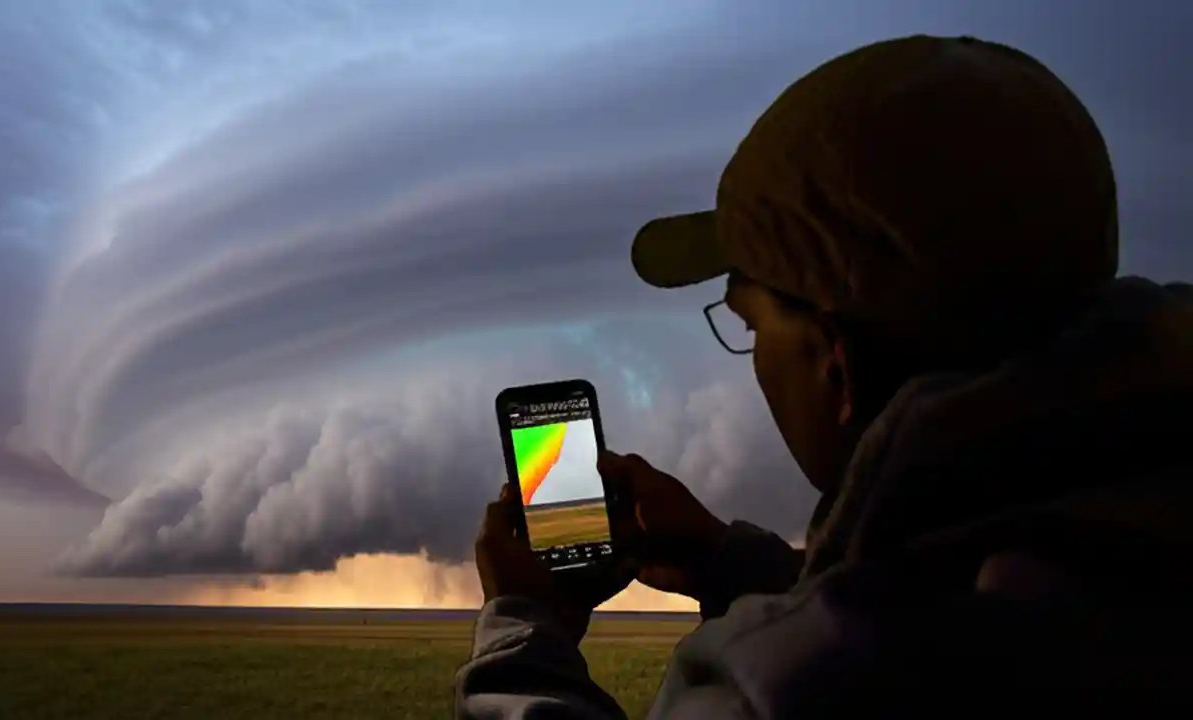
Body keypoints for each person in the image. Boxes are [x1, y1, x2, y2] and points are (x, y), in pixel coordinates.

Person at [455, 35, 1192, 717]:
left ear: (836, 366)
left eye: (751, 325)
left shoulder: (782, 686)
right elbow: (940, 592)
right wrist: (727, 561)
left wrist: (522, 629)